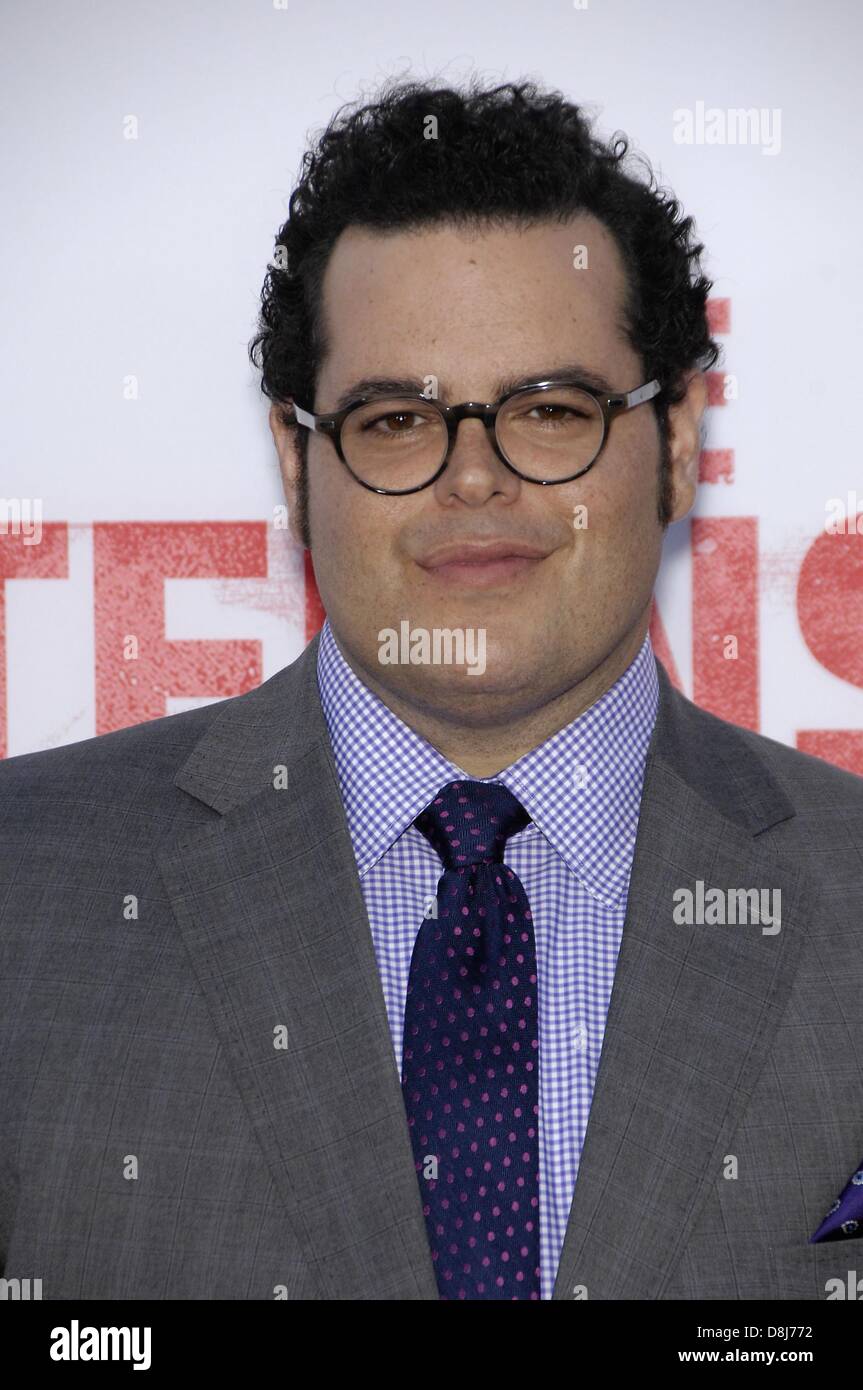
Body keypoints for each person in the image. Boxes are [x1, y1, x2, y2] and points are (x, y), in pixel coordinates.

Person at [1, 77, 861, 1302]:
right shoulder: (21, 894)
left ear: (675, 438)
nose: (472, 479)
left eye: (547, 410)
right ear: (296, 462)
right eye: (397, 419)